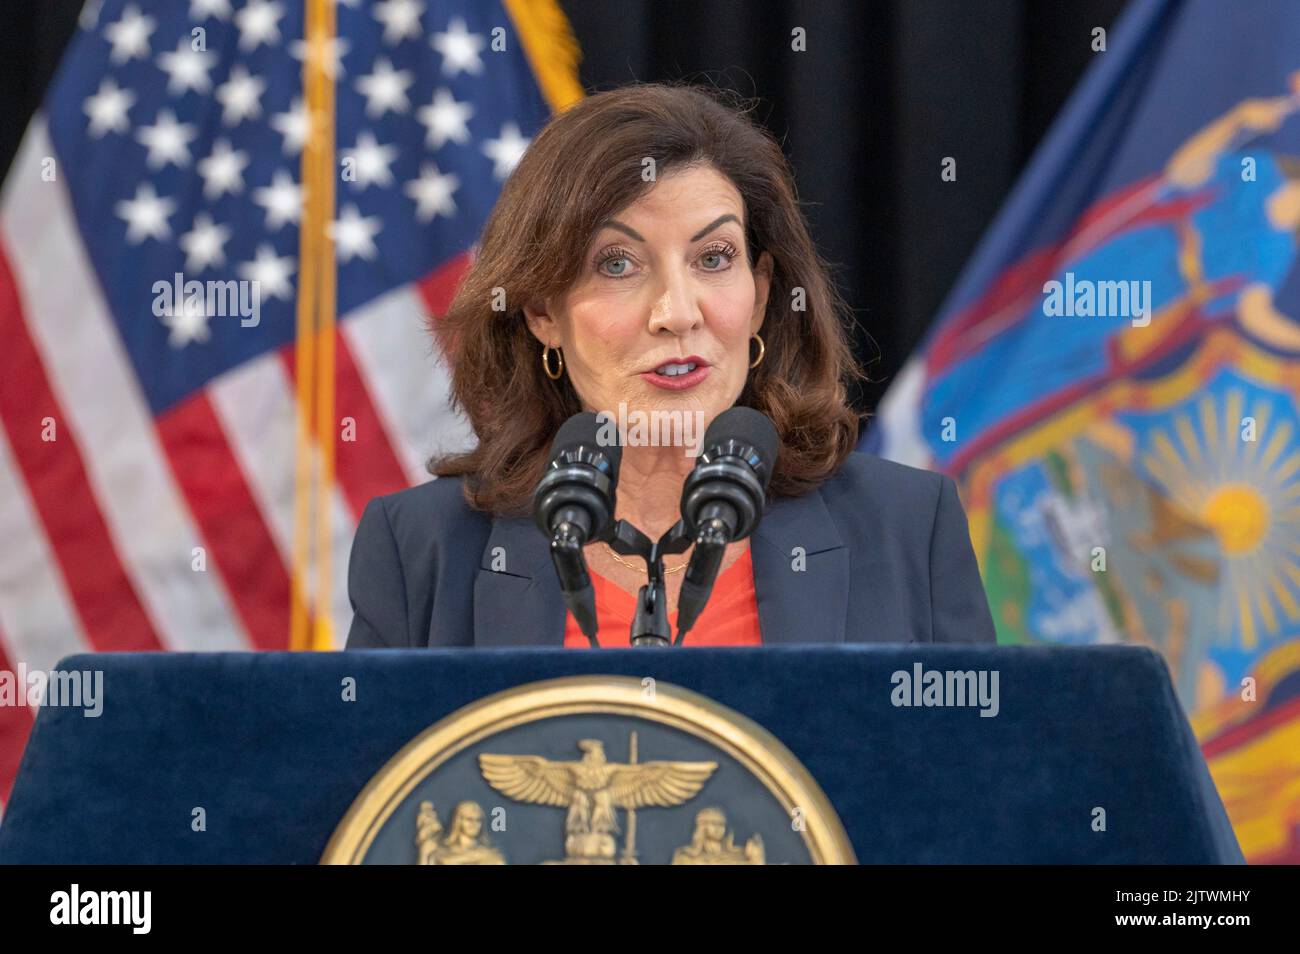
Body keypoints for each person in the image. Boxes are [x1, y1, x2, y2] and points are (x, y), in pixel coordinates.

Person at [345, 83, 996, 650]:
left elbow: (970, 783)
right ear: (543, 312)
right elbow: (377, 792)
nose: (677, 313)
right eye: (617, 264)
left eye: (713, 258)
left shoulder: (907, 525)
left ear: (762, 292)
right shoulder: (422, 549)